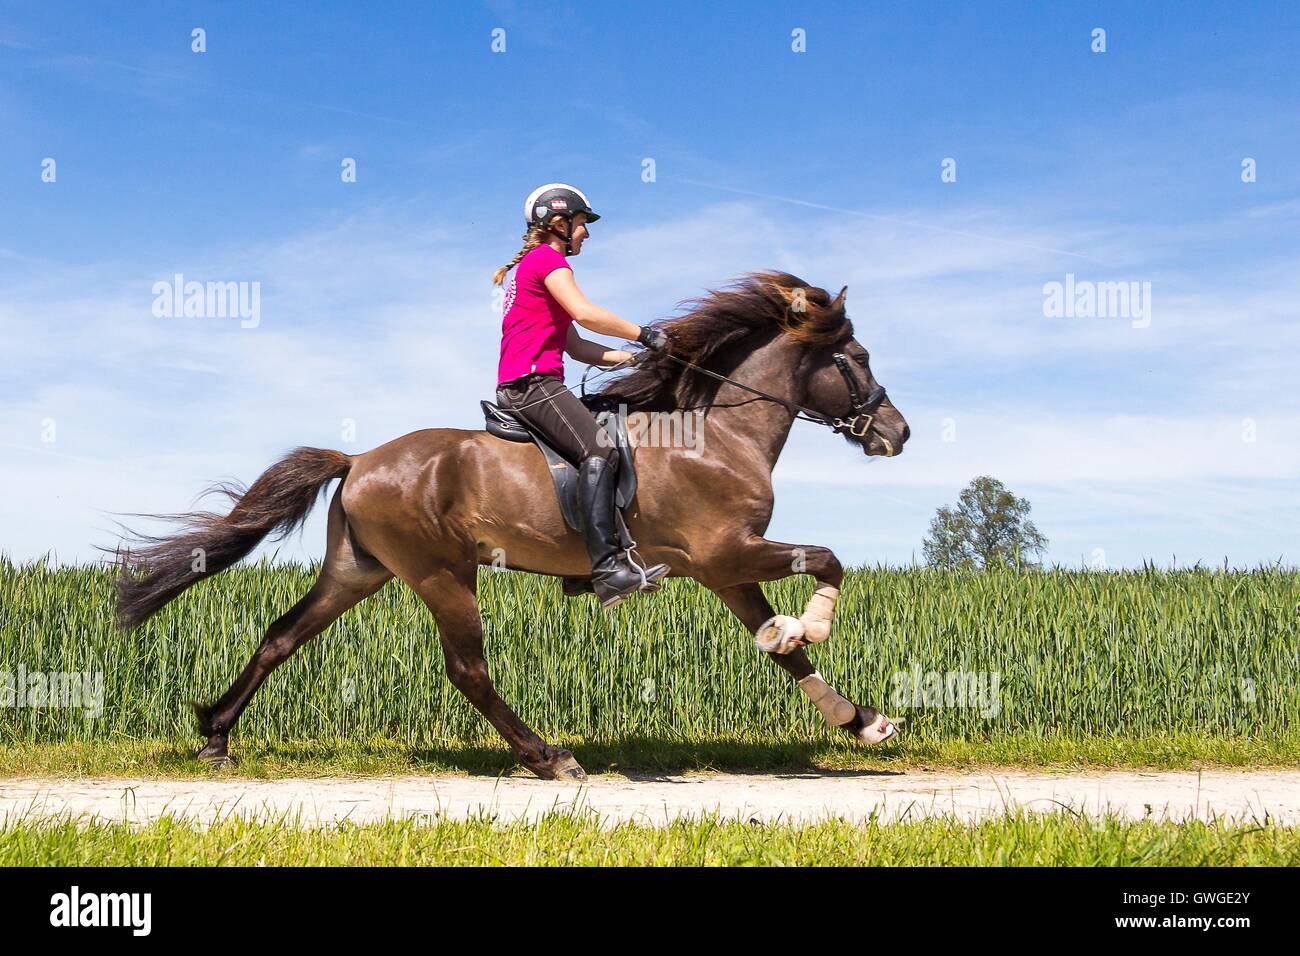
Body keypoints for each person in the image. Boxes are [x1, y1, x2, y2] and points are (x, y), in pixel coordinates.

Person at [492, 183, 670, 609]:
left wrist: (632, 359)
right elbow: (587, 314)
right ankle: (606, 569)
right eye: (581, 223)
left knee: (603, 432)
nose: (586, 232)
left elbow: (575, 346)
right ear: (558, 223)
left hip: (533, 383)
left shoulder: (533, 268)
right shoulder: (546, 260)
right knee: (601, 451)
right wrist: (646, 335)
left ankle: (577, 567)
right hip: (532, 385)